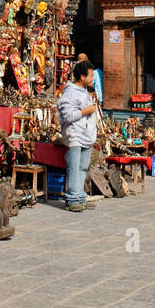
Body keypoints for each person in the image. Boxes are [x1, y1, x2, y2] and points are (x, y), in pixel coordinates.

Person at [56, 61, 100, 213]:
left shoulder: (85, 92)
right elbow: (67, 116)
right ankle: (73, 198)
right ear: (82, 77)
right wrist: (86, 111)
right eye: (91, 75)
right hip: (75, 134)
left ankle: (80, 196)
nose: (93, 78)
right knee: (74, 167)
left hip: (86, 135)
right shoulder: (70, 93)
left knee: (82, 167)